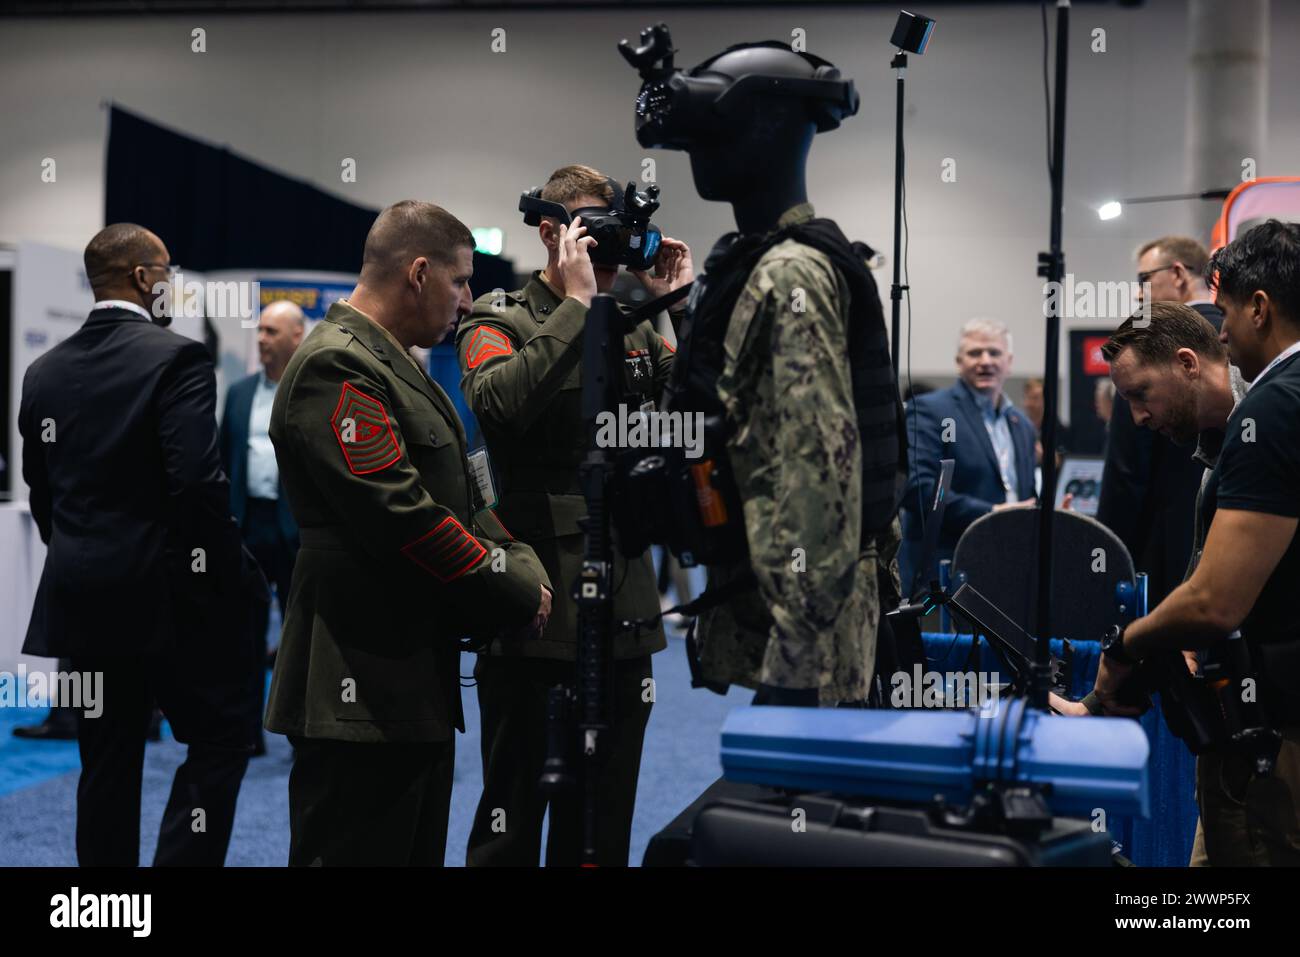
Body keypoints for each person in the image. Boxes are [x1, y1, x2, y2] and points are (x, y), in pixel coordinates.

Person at [624, 26, 907, 707]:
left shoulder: (791, 271)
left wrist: (803, 638)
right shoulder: (759, 257)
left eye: (710, 135)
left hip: (811, 631)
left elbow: (819, 463)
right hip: (793, 606)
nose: (698, 154)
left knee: (802, 792)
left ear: (769, 130)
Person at [265, 200, 551, 866]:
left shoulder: (399, 362)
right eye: (460, 281)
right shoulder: (335, 364)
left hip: (409, 677)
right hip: (356, 680)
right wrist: (509, 584)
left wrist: (523, 561)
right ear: (418, 273)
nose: (468, 300)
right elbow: (402, 515)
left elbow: (472, 496)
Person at [455, 164, 690, 866]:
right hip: (537, 599)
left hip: (624, 595)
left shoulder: (640, 329)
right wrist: (578, 308)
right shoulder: (499, 317)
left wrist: (678, 306)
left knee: (605, 815)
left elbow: (692, 427)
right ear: (551, 231)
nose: (611, 250)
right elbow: (498, 404)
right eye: (596, 232)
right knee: (513, 814)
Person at [18, 223, 266, 866]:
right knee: (222, 739)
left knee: (105, 758)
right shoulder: (176, 357)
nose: (171, 285)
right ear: (141, 278)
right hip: (168, 599)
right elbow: (195, 485)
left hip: (82, 597)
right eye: (167, 272)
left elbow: (42, 493)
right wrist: (230, 573)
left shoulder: (44, 370)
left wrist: (81, 553)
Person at [1079, 221, 1300, 865]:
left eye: (1225, 313)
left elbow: (1214, 604)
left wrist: (1125, 646)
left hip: (1274, 734)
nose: (1220, 335)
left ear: (1259, 308)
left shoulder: (1274, 407)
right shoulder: (1253, 418)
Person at [1096, 235, 1222, 606]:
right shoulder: (1244, 340)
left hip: (1165, 565)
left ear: (1178, 273)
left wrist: (1103, 561)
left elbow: (1126, 477)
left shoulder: (1141, 348)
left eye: (1143, 280)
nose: (1139, 295)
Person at [219, 299, 305, 754]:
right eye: (260, 331)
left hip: (296, 531)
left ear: (297, 337)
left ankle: (298, 731)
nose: (261, 339)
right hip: (248, 528)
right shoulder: (237, 393)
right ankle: (245, 731)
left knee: (298, 636)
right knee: (244, 637)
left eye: (272, 331)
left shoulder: (313, 389)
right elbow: (221, 461)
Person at [899, 319, 1037, 592]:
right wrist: (991, 513)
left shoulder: (1021, 424)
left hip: (1009, 570)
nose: (985, 361)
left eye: (994, 353)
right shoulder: (929, 410)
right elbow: (917, 489)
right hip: (945, 574)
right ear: (958, 361)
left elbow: (1024, 495)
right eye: (975, 353)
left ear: (1009, 362)